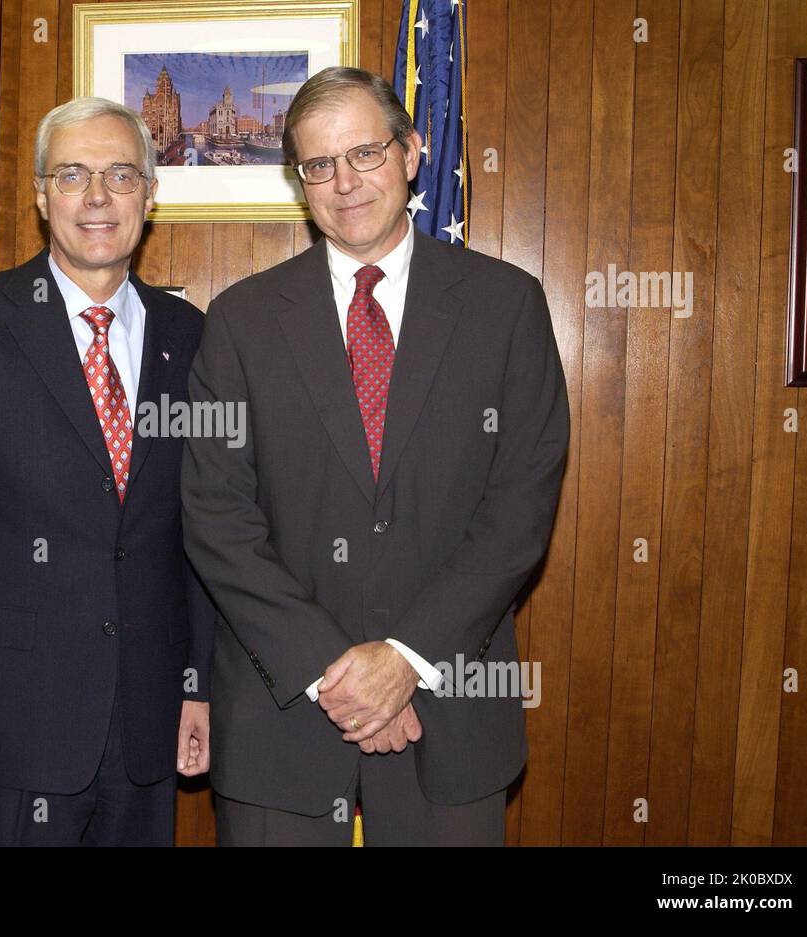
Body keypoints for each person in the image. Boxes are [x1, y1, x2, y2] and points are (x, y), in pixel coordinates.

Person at [181, 66, 570, 845]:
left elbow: (520, 509)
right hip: (281, 721)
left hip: (447, 719)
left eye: (364, 153)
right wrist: (339, 673)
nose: (344, 182)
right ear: (300, 180)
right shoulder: (241, 322)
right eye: (319, 164)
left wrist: (406, 658)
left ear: (413, 151)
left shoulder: (506, 306)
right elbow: (217, 518)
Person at [0, 96, 213, 846]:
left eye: (121, 174)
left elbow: (199, 531)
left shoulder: (189, 336)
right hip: (3, 728)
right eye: (72, 175)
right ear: (40, 194)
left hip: (147, 725)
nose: (98, 196)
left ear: (150, 195)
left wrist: (200, 686)